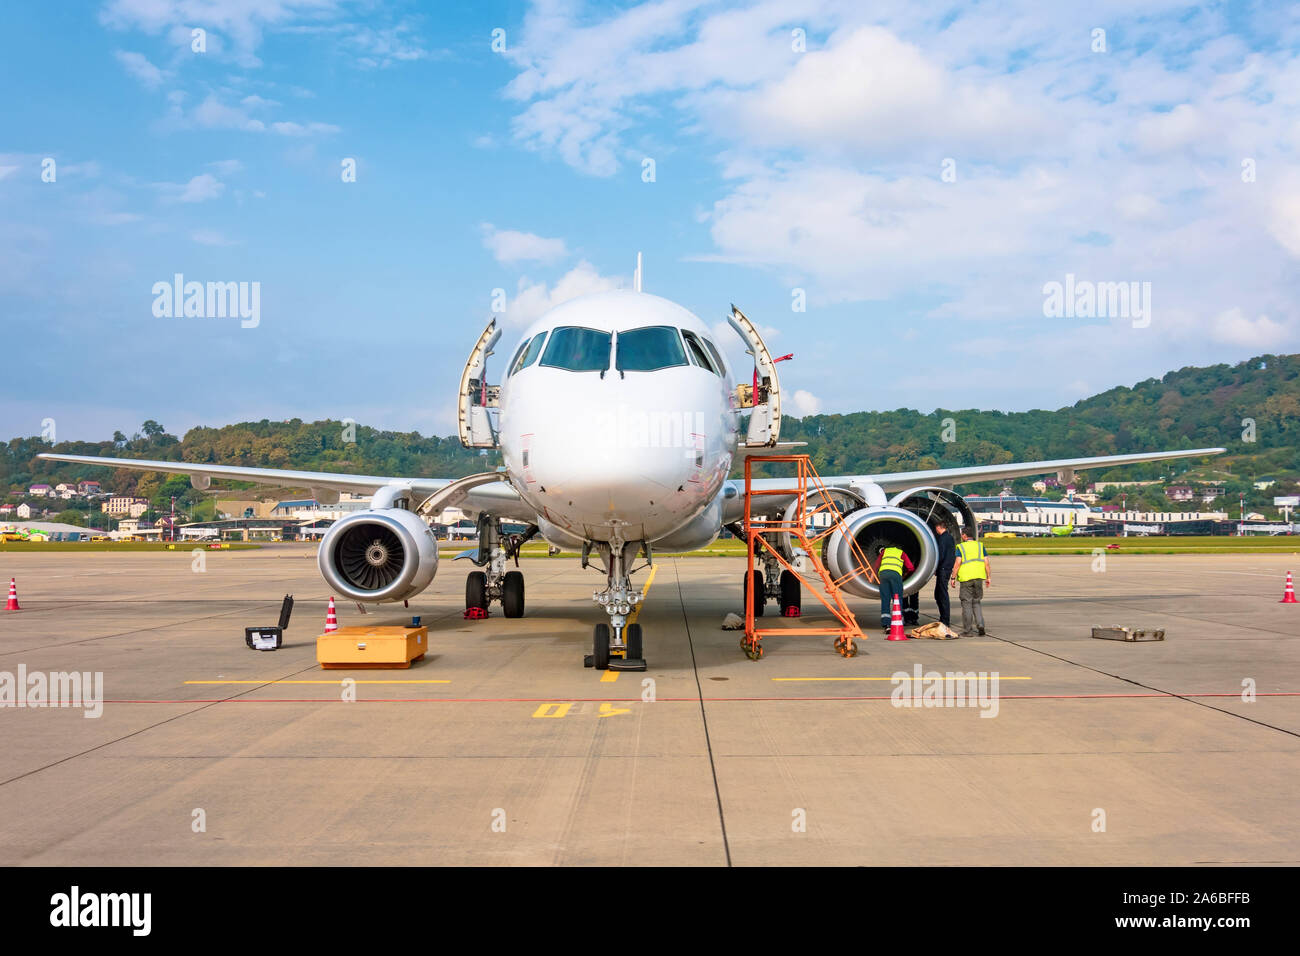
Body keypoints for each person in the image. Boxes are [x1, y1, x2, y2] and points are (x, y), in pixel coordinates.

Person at [950, 528, 991, 637]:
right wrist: (988, 577)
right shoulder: (980, 546)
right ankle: (980, 624)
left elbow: (957, 563)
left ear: (964, 536)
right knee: (976, 602)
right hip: (979, 578)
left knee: (966, 604)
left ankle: (967, 631)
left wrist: (953, 578)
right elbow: (986, 563)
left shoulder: (961, 547)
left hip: (966, 579)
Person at [872, 544, 914, 632]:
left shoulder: (884, 552)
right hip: (895, 575)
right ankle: (898, 622)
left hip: (883, 575)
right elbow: (911, 567)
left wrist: (871, 577)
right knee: (897, 599)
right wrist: (905, 574)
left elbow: (876, 565)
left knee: (885, 599)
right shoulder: (901, 553)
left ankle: (886, 624)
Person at [931, 520, 957, 627]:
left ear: (938, 527)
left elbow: (940, 555)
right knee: (938, 594)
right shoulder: (949, 537)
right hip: (946, 569)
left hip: (943, 569)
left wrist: (933, 566)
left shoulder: (942, 538)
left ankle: (945, 620)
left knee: (942, 595)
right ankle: (943, 618)